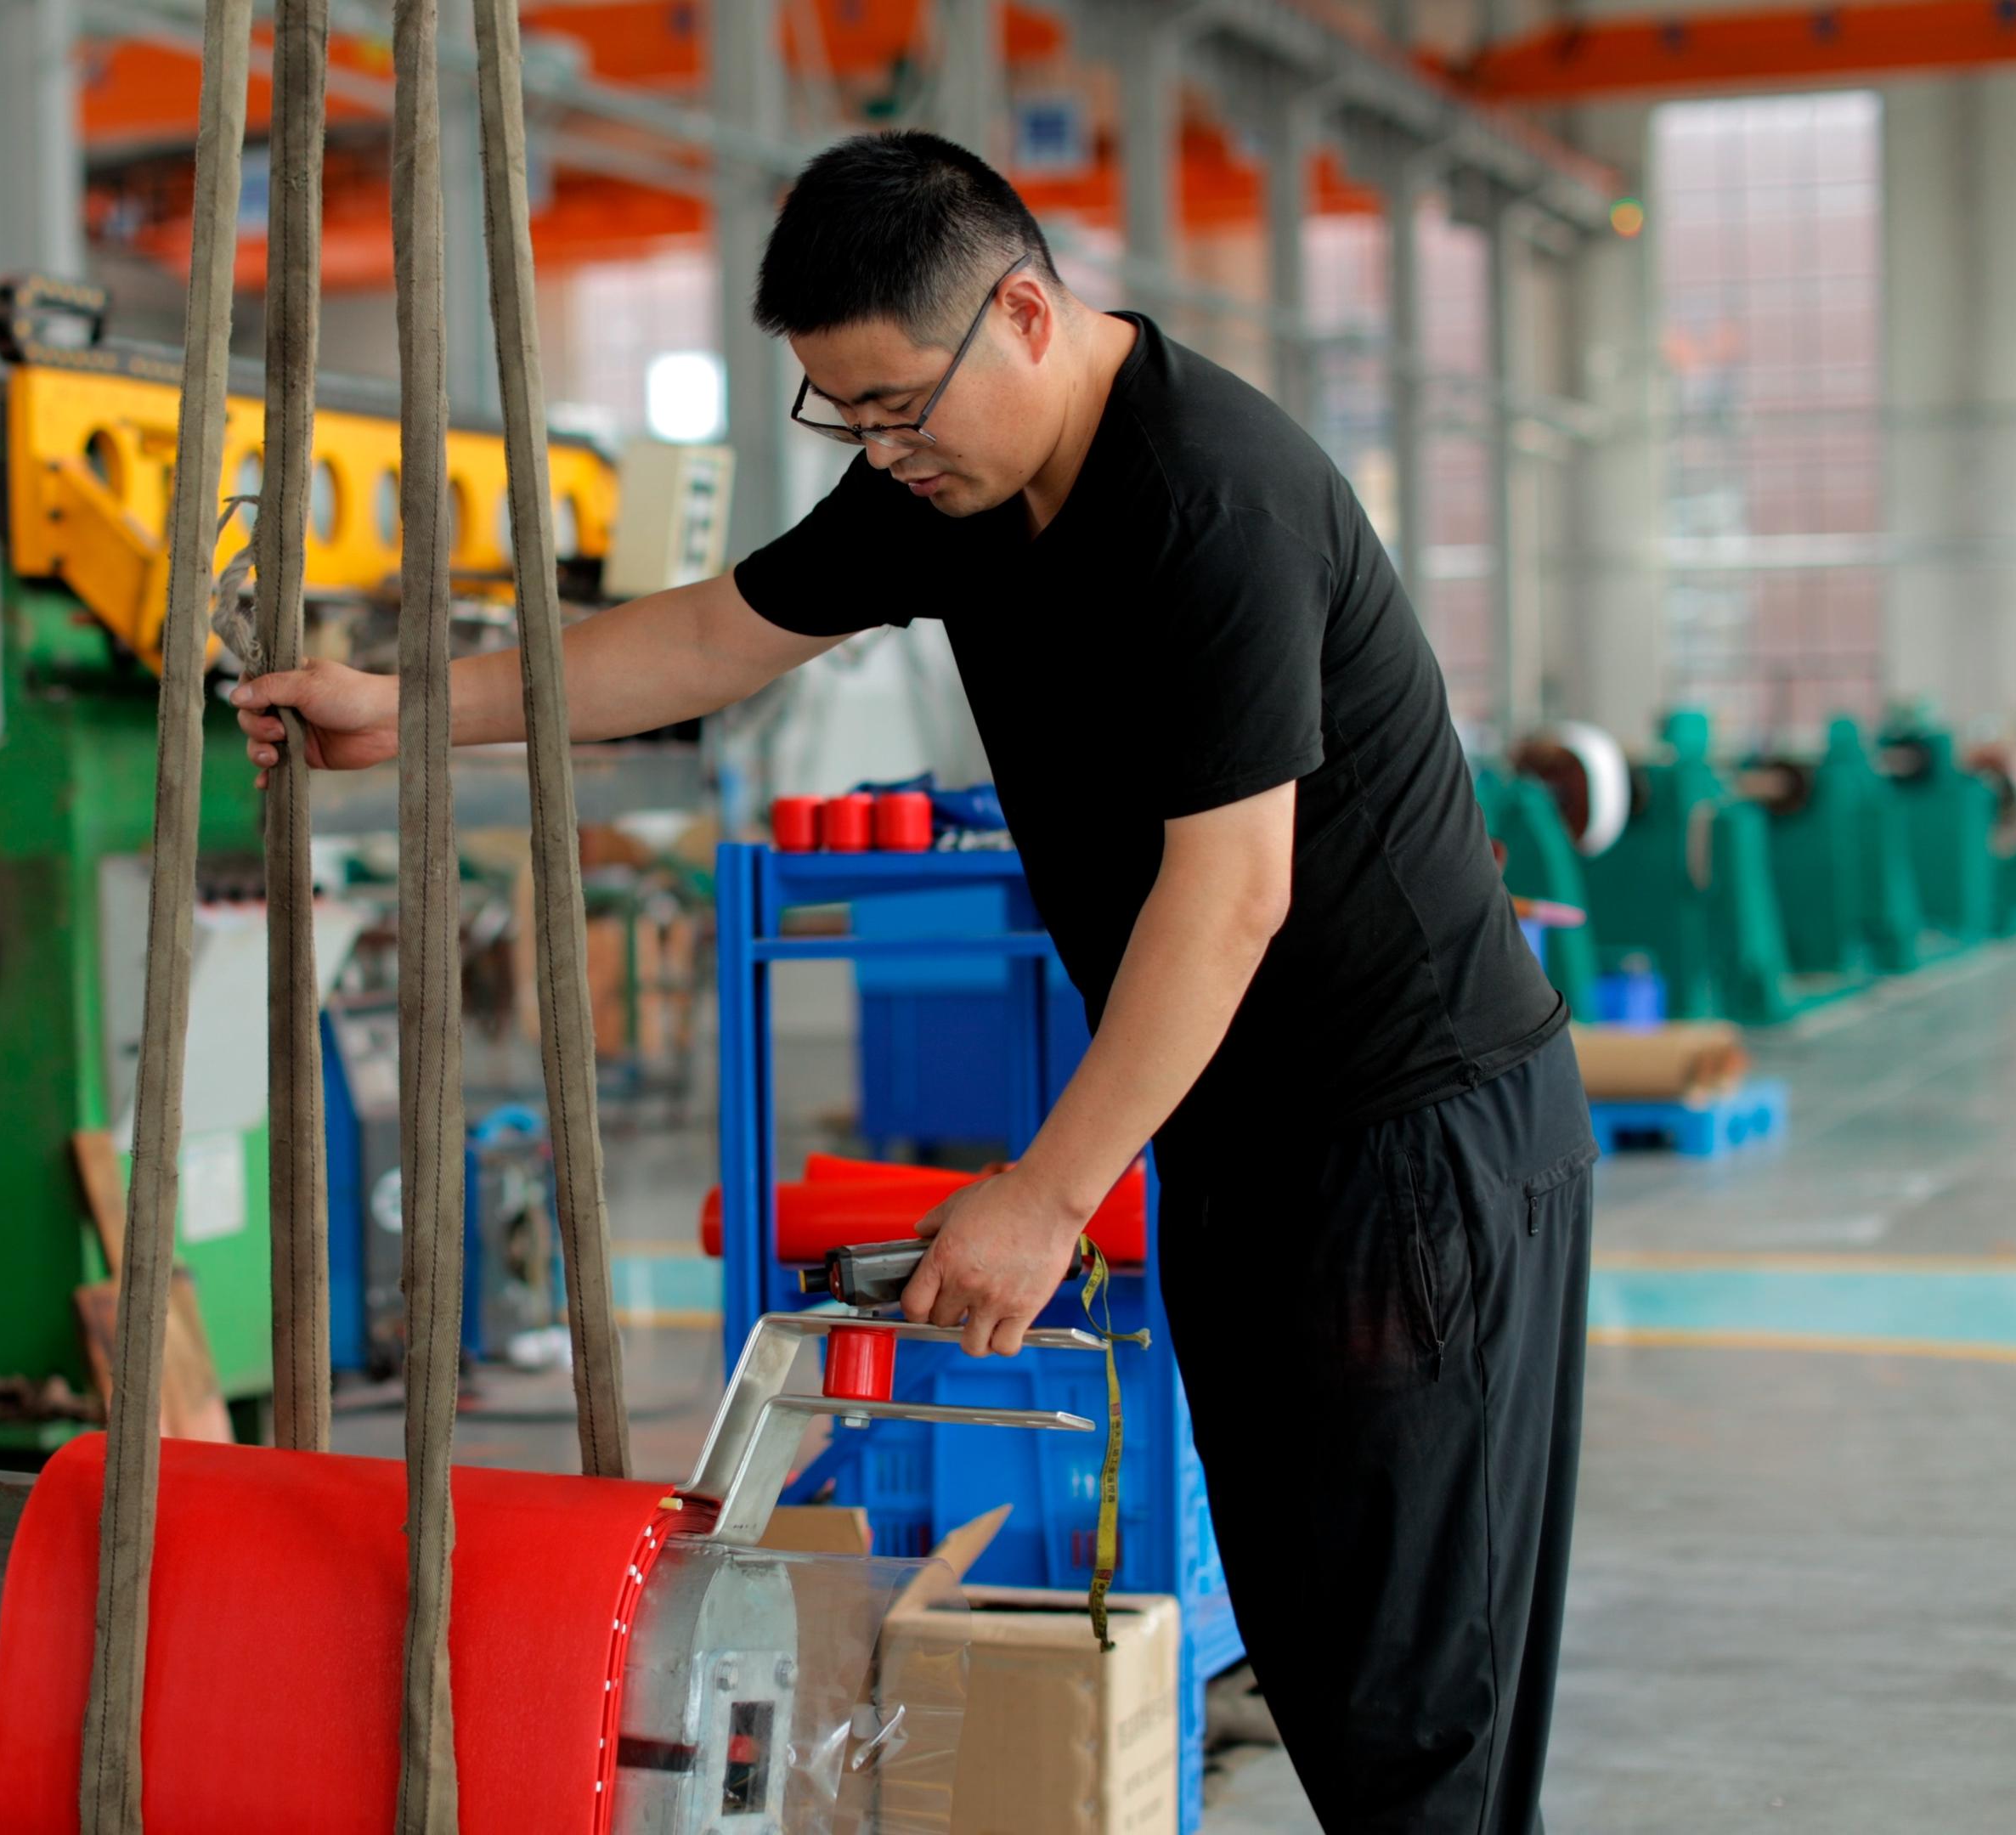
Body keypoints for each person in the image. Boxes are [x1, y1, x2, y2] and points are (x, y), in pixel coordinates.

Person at [234, 130, 1595, 1835]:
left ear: (1023, 311)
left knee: (1421, 1706)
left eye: (897, 408)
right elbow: (714, 636)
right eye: (847, 417)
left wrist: (1048, 1193)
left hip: (1413, 1146)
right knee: (1326, 1663)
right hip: (1246, 1138)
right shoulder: (956, 491)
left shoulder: (1210, 502)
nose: (883, 451)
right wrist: (409, 707)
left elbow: (1232, 891)